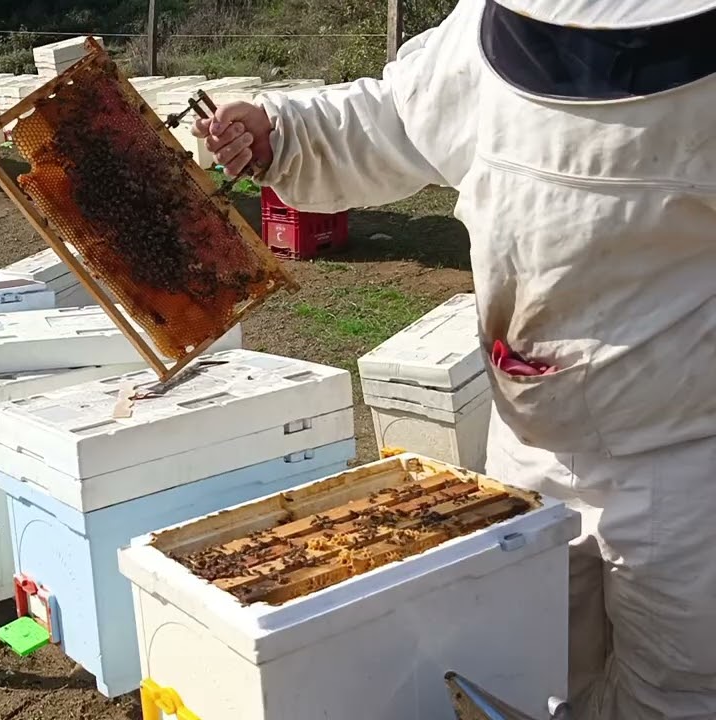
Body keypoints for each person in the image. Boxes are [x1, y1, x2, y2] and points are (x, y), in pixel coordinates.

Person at [194, 1, 716, 718]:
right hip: (528, 450)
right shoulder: (491, 31)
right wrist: (282, 129)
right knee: (529, 673)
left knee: (677, 697)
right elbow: (396, 118)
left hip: (688, 472)